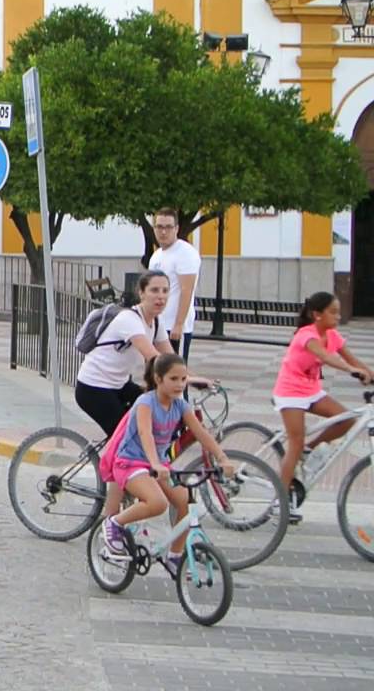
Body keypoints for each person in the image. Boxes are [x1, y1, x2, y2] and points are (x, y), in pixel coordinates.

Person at [75, 271, 209, 521]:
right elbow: (155, 359)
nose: (160, 297)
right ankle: (111, 518)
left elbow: (172, 359)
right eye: (154, 291)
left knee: (147, 414)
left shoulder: (155, 322)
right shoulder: (130, 320)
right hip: (93, 388)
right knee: (125, 445)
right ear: (141, 293)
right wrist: (186, 380)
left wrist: (194, 377)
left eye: (165, 291)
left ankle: (131, 485)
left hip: (118, 384)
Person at [99, 354, 234, 567]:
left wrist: (222, 458)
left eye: (183, 379)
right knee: (158, 503)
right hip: (131, 463)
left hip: (158, 466)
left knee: (185, 502)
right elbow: (145, 433)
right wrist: (155, 463)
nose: (180, 384)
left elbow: (201, 432)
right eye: (174, 379)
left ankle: (174, 555)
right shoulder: (145, 402)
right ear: (158, 378)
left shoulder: (179, 405)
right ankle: (114, 523)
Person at [272, 291, 374, 523]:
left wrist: (368, 372)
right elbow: (326, 357)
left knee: (346, 419)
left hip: (311, 390)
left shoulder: (332, 335)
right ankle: (281, 501)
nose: (338, 317)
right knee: (294, 443)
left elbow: (351, 358)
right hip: (290, 392)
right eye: (333, 312)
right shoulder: (306, 335)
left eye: (339, 312)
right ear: (317, 314)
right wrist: (351, 371)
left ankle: (308, 450)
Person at [149, 207, 200, 359]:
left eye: (168, 227)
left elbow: (186, 289)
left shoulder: (185, 253)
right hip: (158, 325)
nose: (163, 232)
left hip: (174, 326)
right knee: (156, 372)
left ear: (176, 228)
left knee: (175, 372)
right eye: (159, 227)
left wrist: (179, 324)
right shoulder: (156, 256)